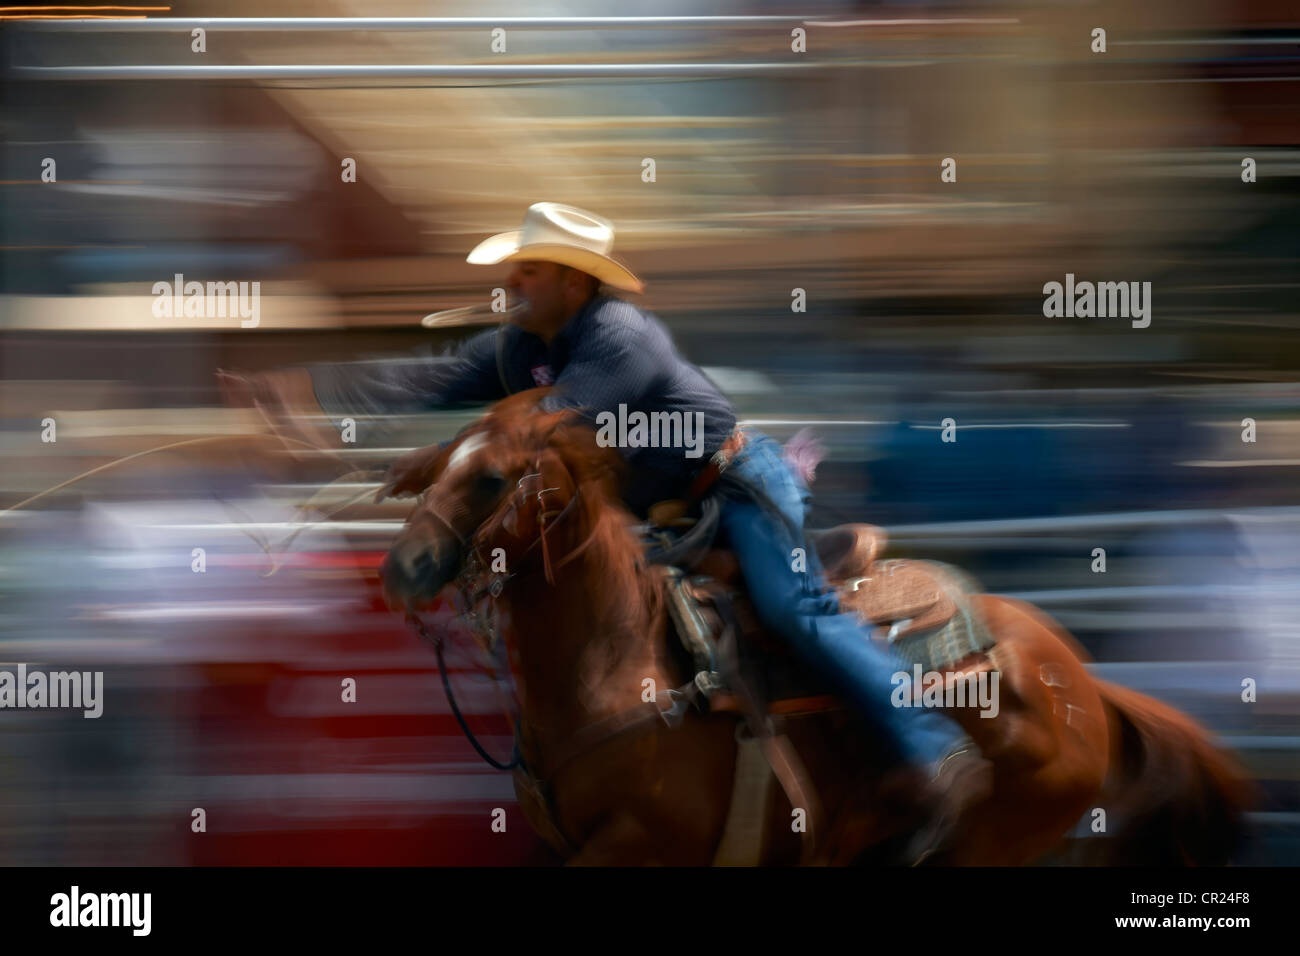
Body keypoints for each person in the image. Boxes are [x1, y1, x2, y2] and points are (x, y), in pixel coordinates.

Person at [217, 202, 986, 860]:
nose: (512, 283)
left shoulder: (622, 337)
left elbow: (558, 425)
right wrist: (313, 399)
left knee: (794, 608)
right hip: (657, 506)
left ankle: (930, 748)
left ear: (574, 281)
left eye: (529, 271)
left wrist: (443, 458)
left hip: (737, 484)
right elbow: (427, 377)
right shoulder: (520, 347)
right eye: (514, 271)